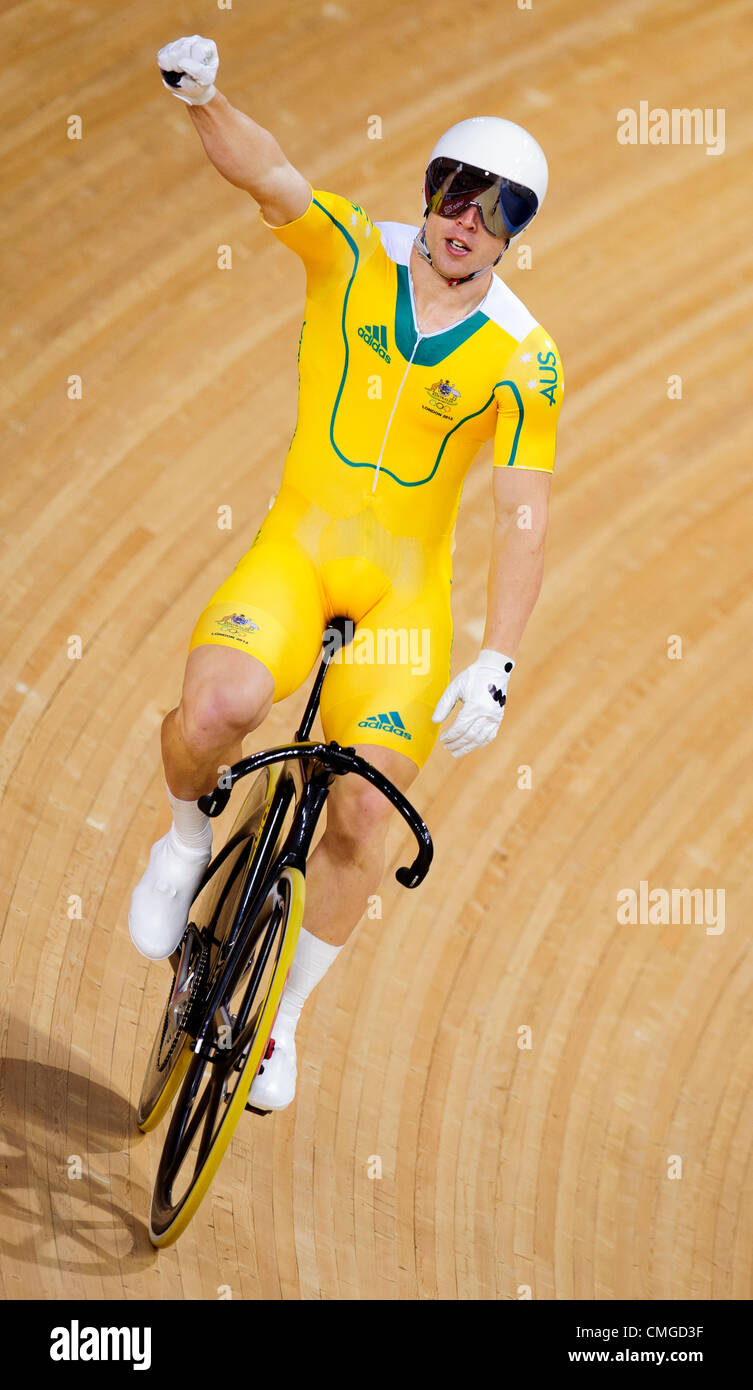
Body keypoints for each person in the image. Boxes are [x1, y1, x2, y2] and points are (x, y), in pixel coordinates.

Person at [129, 34, 564, 1111]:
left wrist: (497, 659)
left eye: (498, 211)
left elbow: (523, 514)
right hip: (295, 555)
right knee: (221, 701)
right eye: (458, 194)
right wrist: (203, 97)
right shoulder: (351, 254)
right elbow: (267, 170)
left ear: (515, 236)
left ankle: (281, 1018)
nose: (469, 221)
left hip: (403, 611)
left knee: (368, 812)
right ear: (430, 191)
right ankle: (186, 840)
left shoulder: (524, 359)